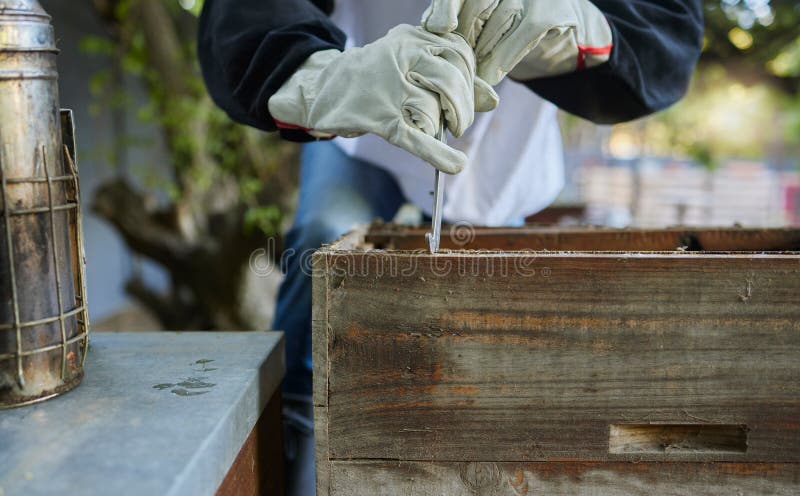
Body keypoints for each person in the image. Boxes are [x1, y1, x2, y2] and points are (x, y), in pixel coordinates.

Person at [198, 1, 704, 493]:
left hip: (500, 159)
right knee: (321, 240)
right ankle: (295, 422)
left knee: (490, 302)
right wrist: (314, 74)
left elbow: (668, 27)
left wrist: (584, 26)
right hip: (371, 109)